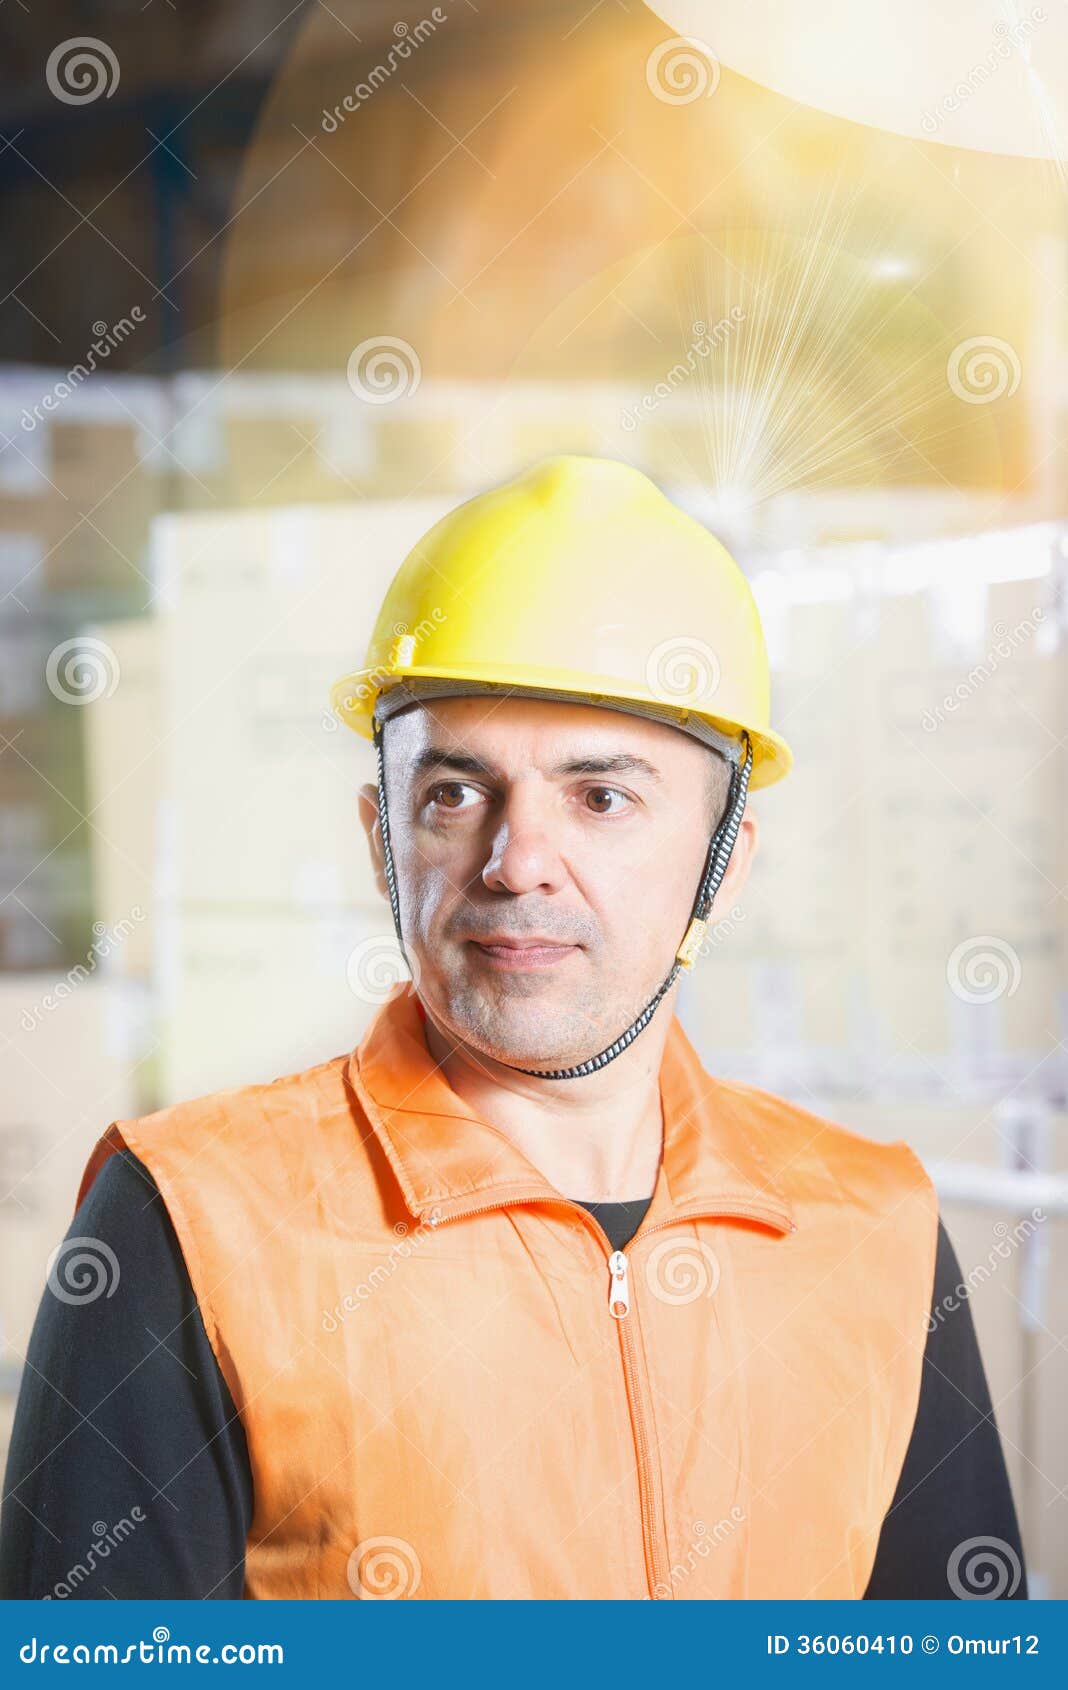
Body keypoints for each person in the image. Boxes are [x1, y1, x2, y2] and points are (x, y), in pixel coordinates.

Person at [1, 456, 1026, 1601]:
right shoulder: (189, 1224)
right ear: (382, 839)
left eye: (602, 796)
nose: (517, 860)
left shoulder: (876, 1233)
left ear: (725, 862)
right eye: (454, 792)